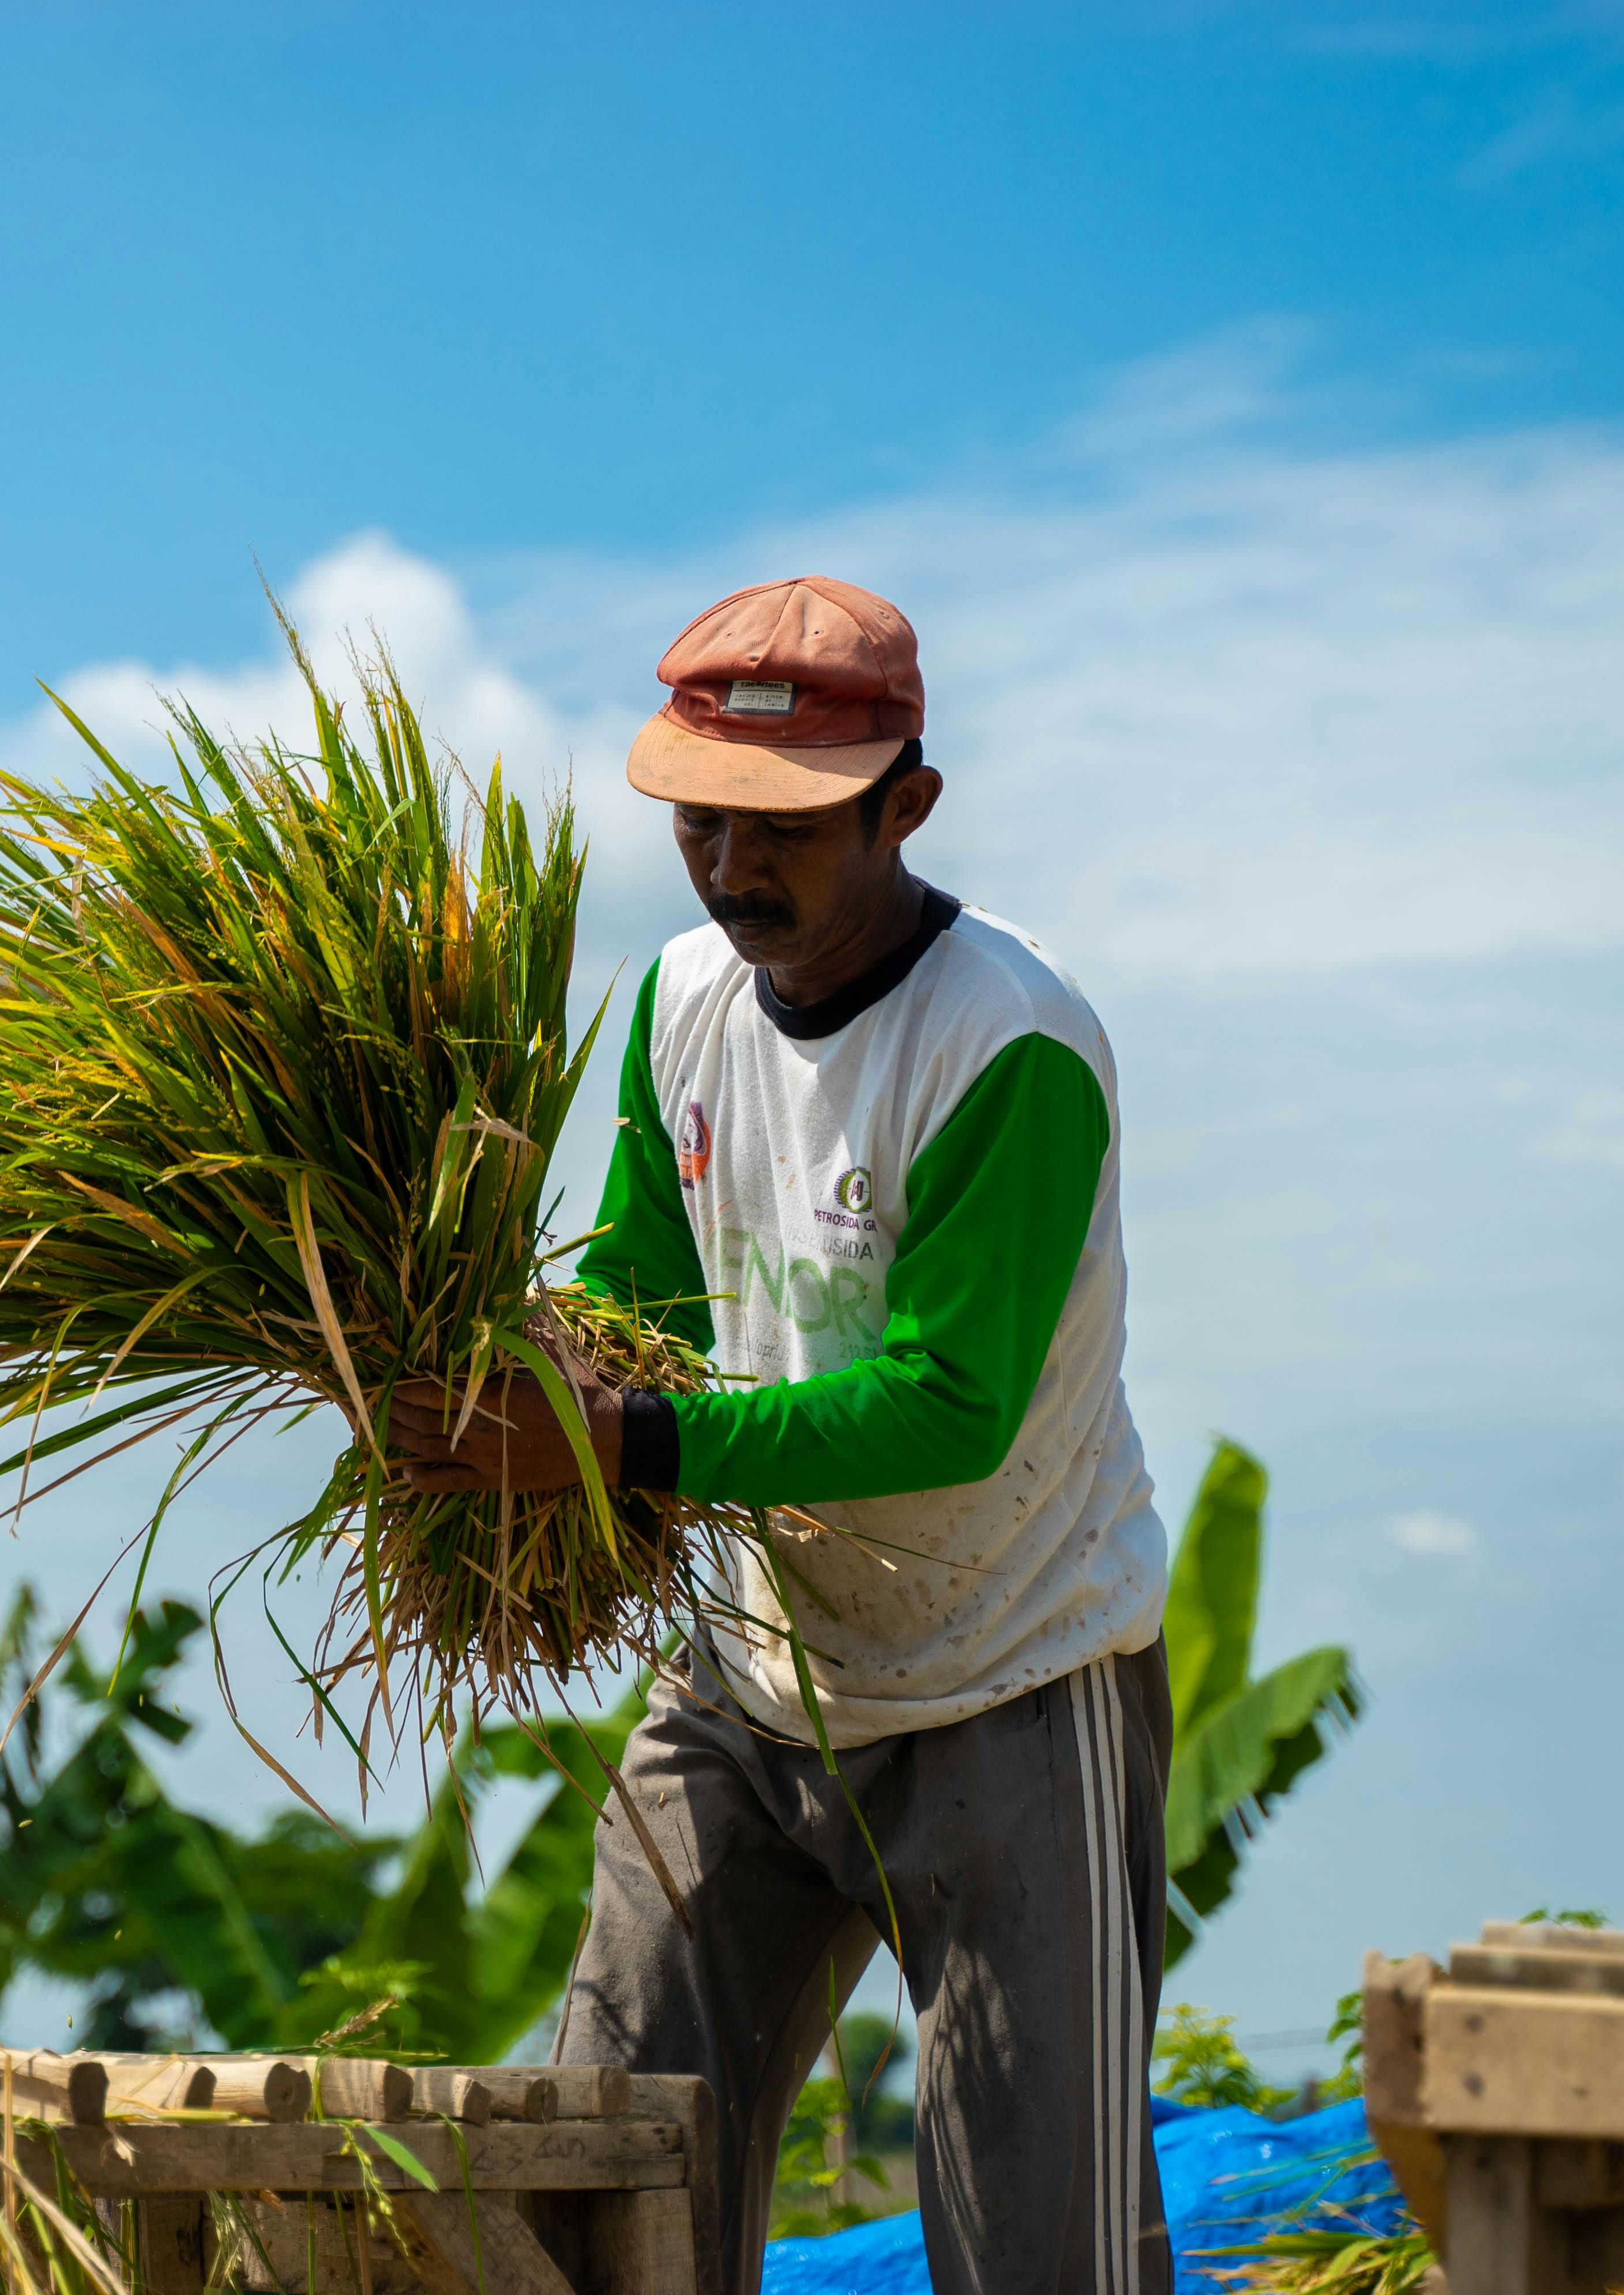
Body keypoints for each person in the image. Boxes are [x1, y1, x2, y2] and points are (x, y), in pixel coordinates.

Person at [385, 576, 1174, 2295]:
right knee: (601, 2176)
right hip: (749, 1684)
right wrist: (468, 1369)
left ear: (908, 806)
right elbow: (635, 1292)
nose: (737, 871)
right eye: (704, 824)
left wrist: (620, 1446)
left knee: (1042, 2256)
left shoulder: (1006, 1045)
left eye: (788, 830)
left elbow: (950, 1406)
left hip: (1011, 1682)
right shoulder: (683, 1004)